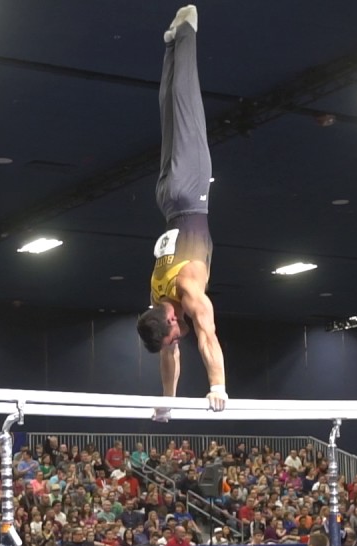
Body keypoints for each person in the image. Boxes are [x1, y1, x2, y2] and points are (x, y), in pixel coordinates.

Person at [135, 5, 227, 417]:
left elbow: (207, 336)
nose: (179, 340)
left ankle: (187, 30)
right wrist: (166, 404)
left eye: (174, 336)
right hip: (167, 201)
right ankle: (172, 46)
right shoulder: (156, 300)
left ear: (170, 321)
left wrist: (217, 386)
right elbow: (168, 353)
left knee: (187, 109)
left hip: (189, 195)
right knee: (169, 116)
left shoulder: (189, 291)